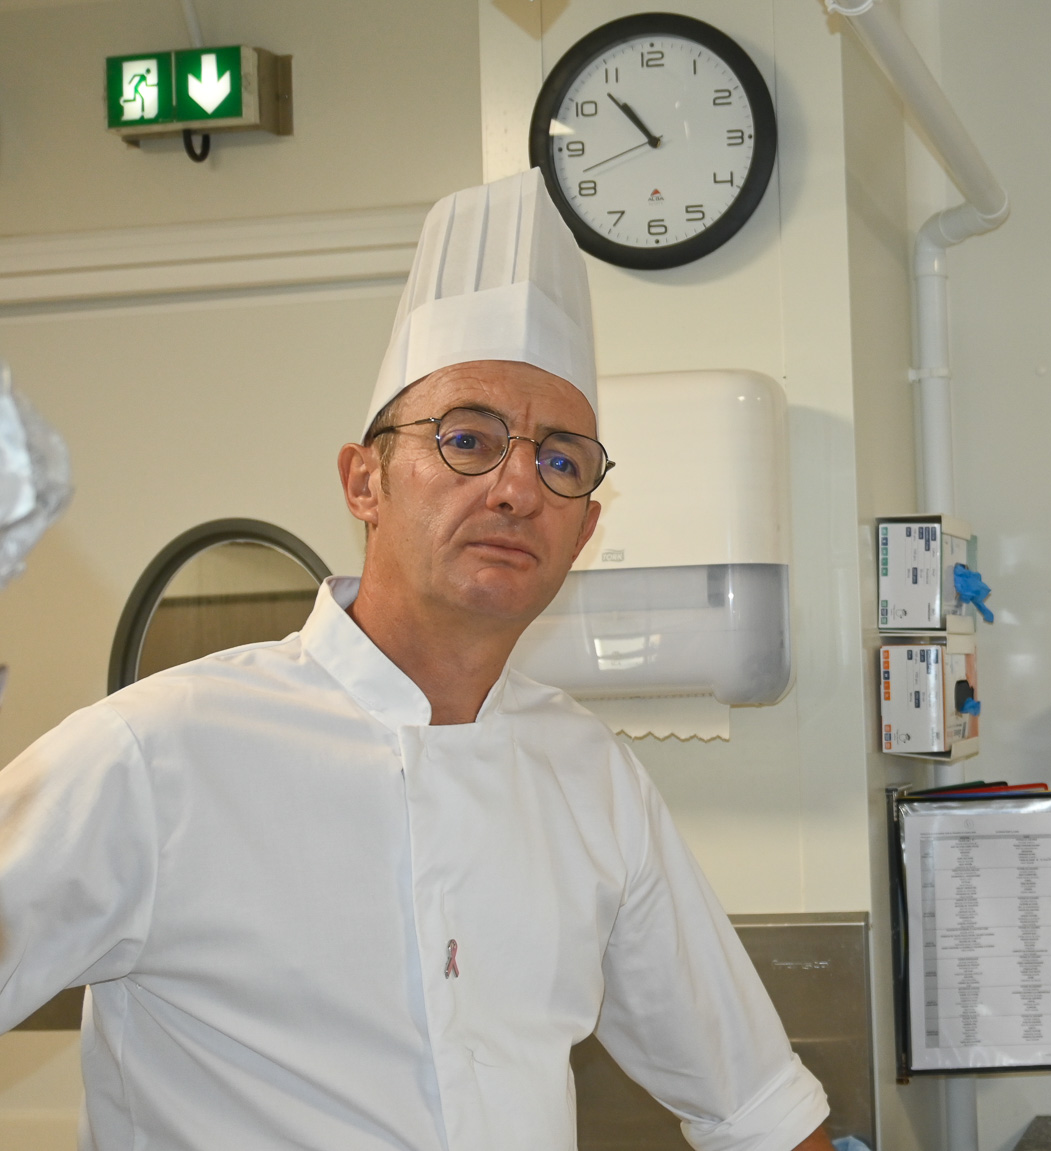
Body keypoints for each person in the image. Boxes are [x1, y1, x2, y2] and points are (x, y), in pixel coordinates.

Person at [0, 170, 834, 1151]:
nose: (519, 483)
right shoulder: (158, 753)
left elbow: (754, 1104)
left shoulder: (591, 779)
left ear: (585, 527)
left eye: (561, 459)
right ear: (364, 479)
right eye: (468, 438)